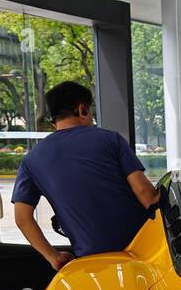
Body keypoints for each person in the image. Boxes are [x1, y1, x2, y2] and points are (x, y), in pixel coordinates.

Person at [12, 81, 159, 269]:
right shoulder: (110, 139)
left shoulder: (30, 160)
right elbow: (146, 194)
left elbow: (22, 218)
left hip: (91, 260)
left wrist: (53, 256)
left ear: (53, 119)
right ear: (82, 110)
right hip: (141, 249)